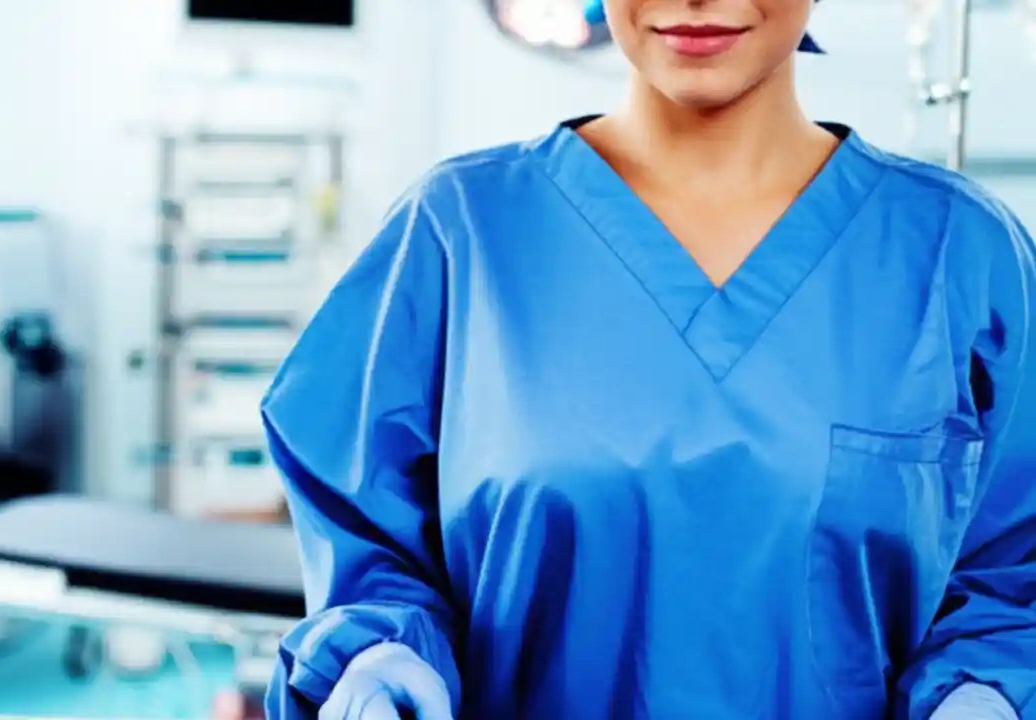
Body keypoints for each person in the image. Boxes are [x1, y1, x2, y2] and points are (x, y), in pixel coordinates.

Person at [260, 0, 1036, 718]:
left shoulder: (956, 253)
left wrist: (987, 689)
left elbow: (1014, 577)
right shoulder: (460, 234)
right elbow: (369, 547)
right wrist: (382, 652)